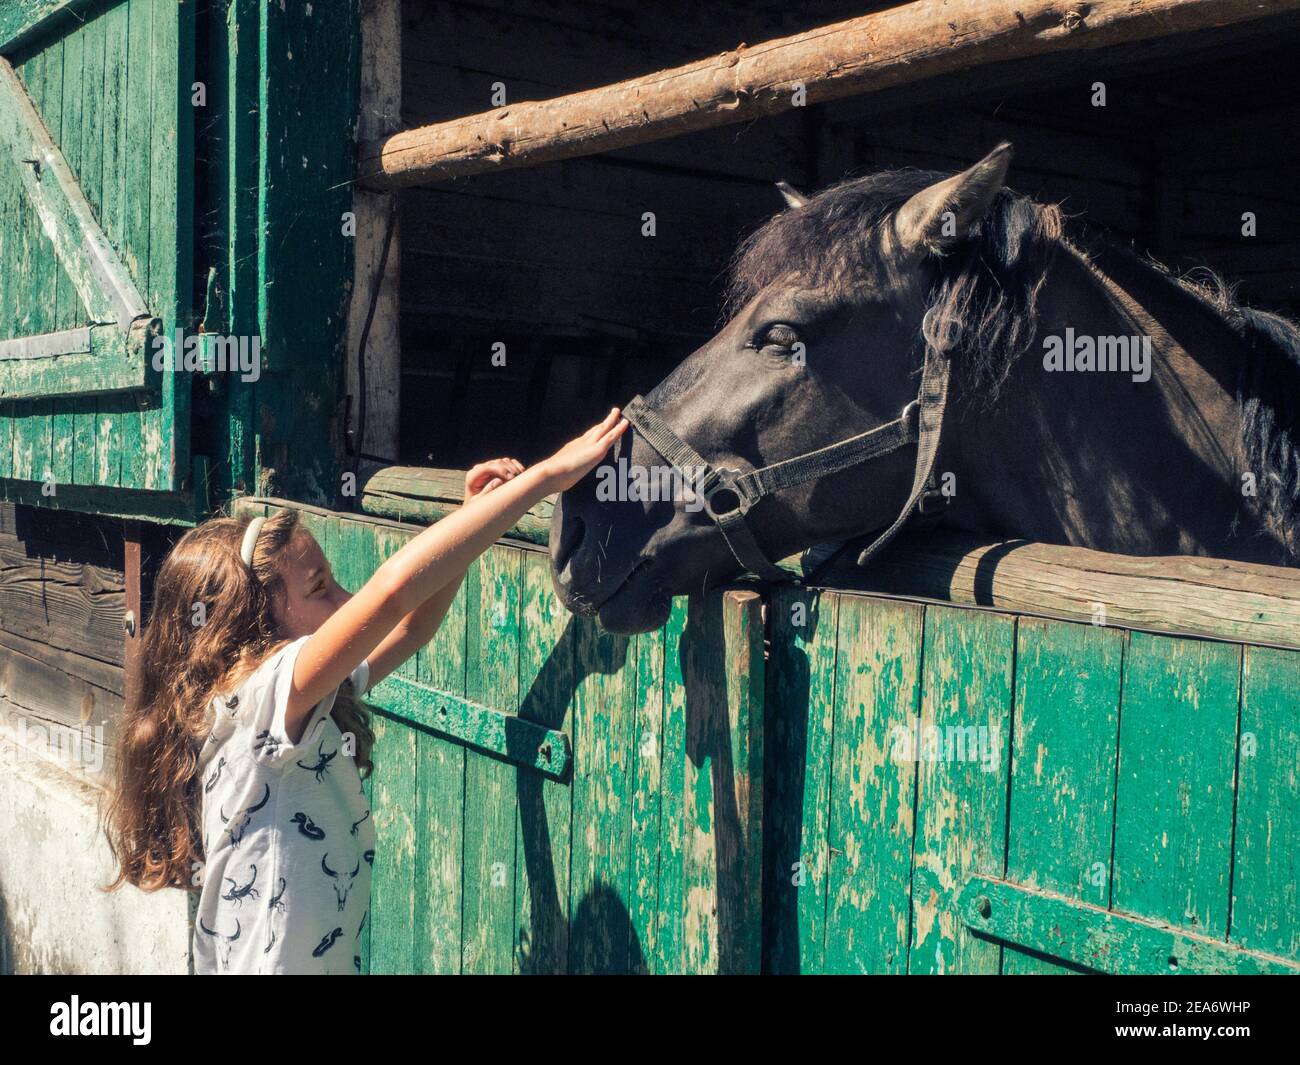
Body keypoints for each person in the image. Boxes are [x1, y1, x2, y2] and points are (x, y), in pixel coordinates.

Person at [102, 409, 629, 973]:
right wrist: (547, 477)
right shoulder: (263, 703)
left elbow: (412, 626)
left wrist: (474, 515)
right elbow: (392, 595)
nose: (345, 600)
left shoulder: (295, 709)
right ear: (254, 624)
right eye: (321, 588)